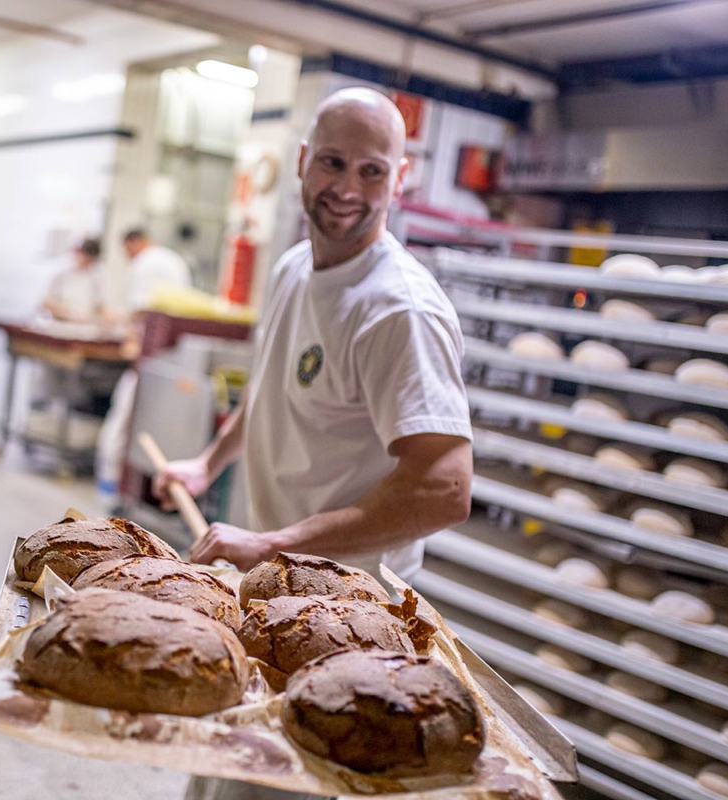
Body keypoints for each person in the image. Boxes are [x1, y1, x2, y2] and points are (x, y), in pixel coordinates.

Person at [158, 87, 473, 800]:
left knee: (282, 784)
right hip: (266, 587)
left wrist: (272, 544)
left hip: (345, 619)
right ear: (302, 162)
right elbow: (272, 389)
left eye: (372, 170)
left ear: (401, 178)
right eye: (334, 163)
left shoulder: (399, 311)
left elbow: (444, 489)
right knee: (223, 772)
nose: (348, 189)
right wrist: (208, 463)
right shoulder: (295, 266)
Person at [122, 227, 192, 311]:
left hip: (160, 317)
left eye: (128, 249)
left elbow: (141, 305)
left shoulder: (144, 260)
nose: (127, 255)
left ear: (136, 242)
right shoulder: (170, 256)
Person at [41, 237, 105, 323]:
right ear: (79, 253)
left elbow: (101, 305)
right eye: (86, 258)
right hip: (62, 325)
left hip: (86, 327)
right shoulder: (62, 273)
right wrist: (70, 314)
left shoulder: (96, 276)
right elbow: (46, 303)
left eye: (91, 261)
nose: (88, 263)